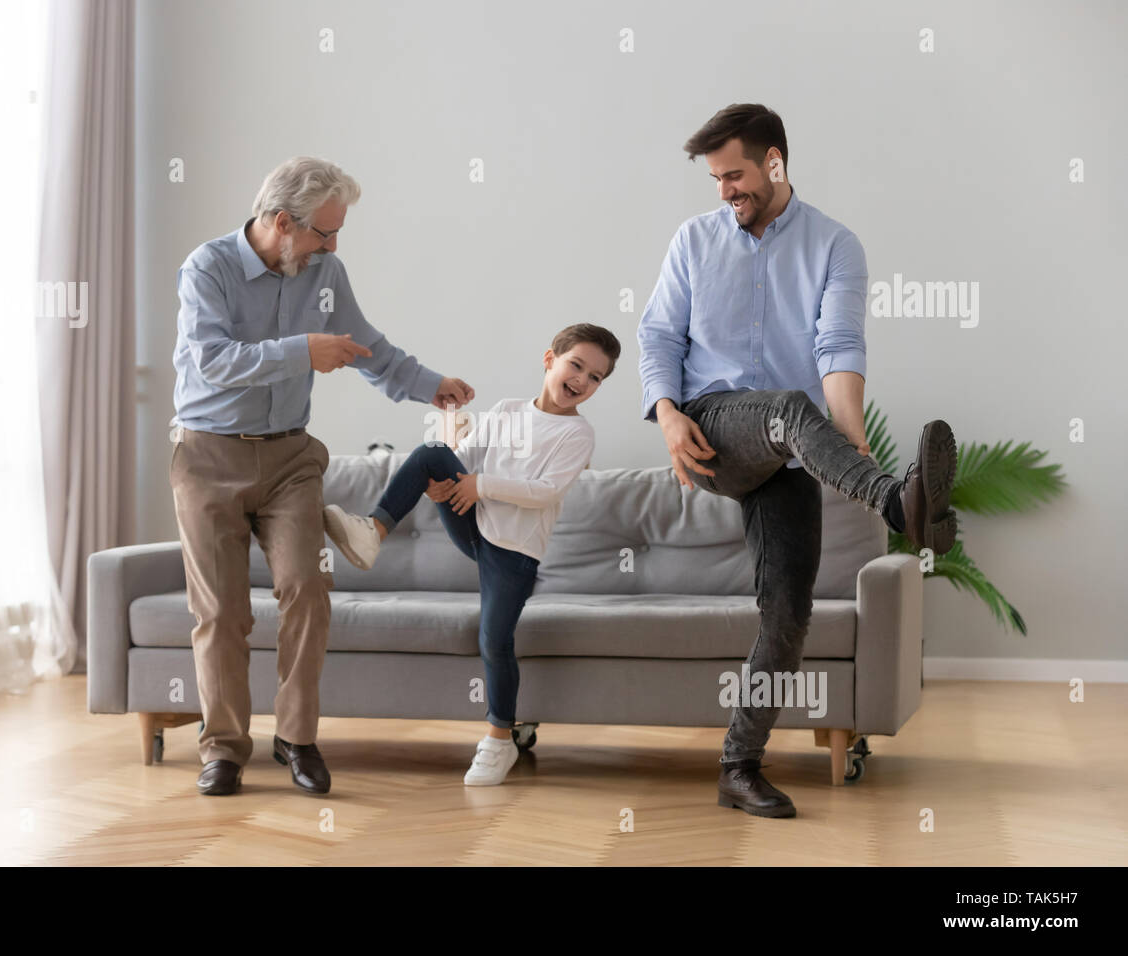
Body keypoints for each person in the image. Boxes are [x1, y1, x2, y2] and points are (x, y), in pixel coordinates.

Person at [637, 104, 958, 818]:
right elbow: (658, 334)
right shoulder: (693, 242)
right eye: (716, 179)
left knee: (788, 613)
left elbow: (838, 348)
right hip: (715, 430)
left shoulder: (835, 245)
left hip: (787, 450)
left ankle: (738, 766)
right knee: (783, 406)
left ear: (775, 162)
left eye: (736, 175)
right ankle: (898, 504)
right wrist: (665, 414)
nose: (725, 191)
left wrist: (852, 447)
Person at [169, 156, 474, 797]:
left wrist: (431, 386)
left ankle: (297, 737)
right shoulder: (209, 268)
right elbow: (211, 362)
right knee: (221, 612)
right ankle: (223, 748)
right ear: (282, 222)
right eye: (323, 233)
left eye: (336, 235)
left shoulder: (324, 272)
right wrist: (303, 350)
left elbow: (368, 347)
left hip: (290, 460)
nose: (332, 247)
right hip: (208, 458)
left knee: (307, 588)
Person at [323, 324, 620, 785]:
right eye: (576, 365)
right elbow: (464, 457)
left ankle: (500, 741)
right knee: (432, 451)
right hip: (473, 525)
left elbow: (544, 492)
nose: (582, 380)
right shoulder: (506, 411)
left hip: (514, 554)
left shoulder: (577, 434)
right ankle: (372, 530)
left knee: (494, 641)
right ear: (550, 360)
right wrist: (447, 481)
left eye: (596, 377)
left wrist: (476, 484)